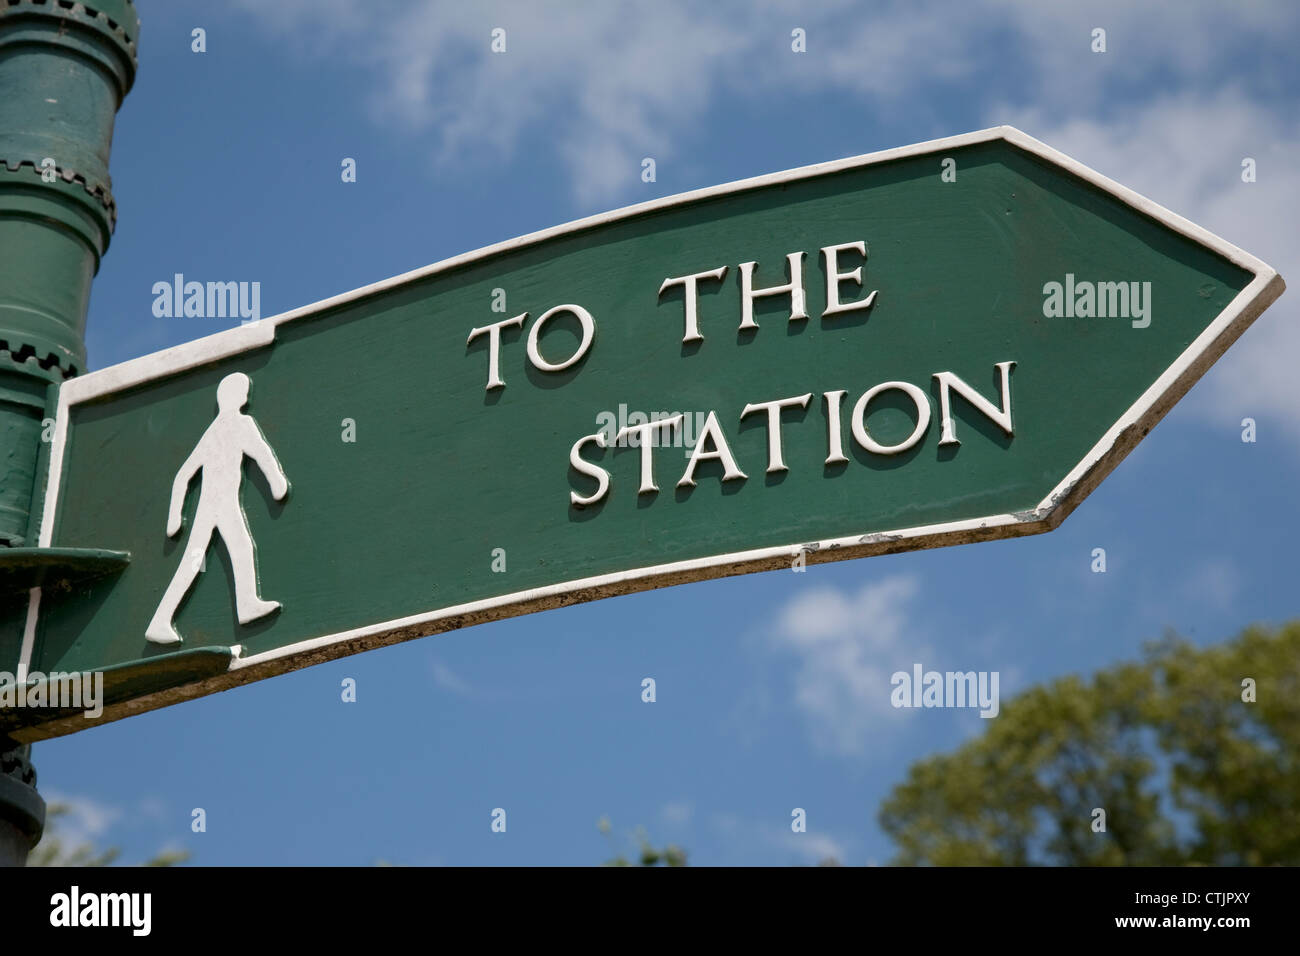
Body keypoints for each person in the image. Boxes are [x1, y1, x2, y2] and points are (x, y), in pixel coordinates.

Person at [145, 372, 289, 645]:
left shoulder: (213, 429)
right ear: (239, 397)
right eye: (242, 391)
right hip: (219, 504)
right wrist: (276, 483)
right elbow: (261, 454)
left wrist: (176, 516)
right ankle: (163, 620)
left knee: (206, 557)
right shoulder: (240, 424)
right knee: (229, 551)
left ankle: (165, 619)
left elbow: (182, 476)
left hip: (211, 506)